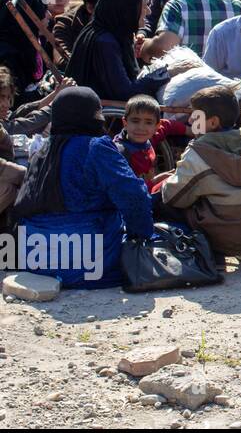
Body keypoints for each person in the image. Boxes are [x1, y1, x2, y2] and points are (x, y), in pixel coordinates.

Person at [10, 87, 153, 288]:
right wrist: (142, 238)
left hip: (35, 260)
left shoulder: (43, 150)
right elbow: (134, 197)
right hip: (85, 262)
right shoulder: (96, 147)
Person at [160, 86, 241, 264]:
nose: (191, 119)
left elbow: (173, 197)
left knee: (165, 201)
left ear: (214, 122)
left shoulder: (198, 152)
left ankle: (214, 253)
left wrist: (165, 181)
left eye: (196, 115)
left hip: (223, 241)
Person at [67, 0, 168, 103]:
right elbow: (125, 92)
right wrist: (163, 75)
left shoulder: (111, 33)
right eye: (144, 5)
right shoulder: (106, 42)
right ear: (127, 9)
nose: (148, 11)